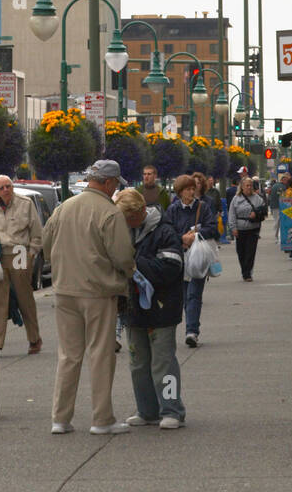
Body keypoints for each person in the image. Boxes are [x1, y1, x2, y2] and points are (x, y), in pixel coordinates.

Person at [42, 159, 135, 435]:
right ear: (107, 183)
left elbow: (46, 247)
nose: (116, 189)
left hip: (65, 289)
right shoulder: (109, 212)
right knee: (100, 354)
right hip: (98, 290)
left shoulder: (63, 208)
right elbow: (122, 255)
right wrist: (128, 273)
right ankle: (101, 418)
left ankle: (60, 418)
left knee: (68, 355)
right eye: (116, 184)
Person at [115, 187, 186, 429]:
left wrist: (134, 262)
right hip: (134, 308)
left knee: (163, 362)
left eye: (130, 218)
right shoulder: (123, 230)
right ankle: (147, 411)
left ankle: (172, 410)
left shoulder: (165, 231)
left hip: (163, 307)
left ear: (142, 211)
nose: (126, 223)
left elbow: (170, 267)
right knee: (138, 362)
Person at [0, 176, 44, 356]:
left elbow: (36, 231)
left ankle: (34, 339)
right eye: (1, 188)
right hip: (0, 255)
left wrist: (31, 254)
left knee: (25, 298)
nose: (6, 190)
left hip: (20, 252)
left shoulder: (25, 204)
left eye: (9, 186)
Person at [165, 174, 218, 348]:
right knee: (184, 296)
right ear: (179, 192)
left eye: (192, 188)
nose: (191, 192)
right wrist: (181, 238)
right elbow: (166, 231)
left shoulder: (202, 208)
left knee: (194, 294)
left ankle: (192, 331)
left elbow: (212, 228)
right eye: (187, 189)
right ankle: (191, 326)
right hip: (179, 257)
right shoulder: (173, 210)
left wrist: (195, 235)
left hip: (198, 257)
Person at [228, 175, 267, 280]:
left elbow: (264, 211)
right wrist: (233, 228)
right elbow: (231, 214)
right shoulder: (236, 199)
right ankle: (244, 270)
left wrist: (256, 213)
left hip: (253, 229)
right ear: (242, 187)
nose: (249, 187)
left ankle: (247, 273)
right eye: (247, 185)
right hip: (240, 229)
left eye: (250, 185)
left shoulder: (257, 198)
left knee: (250, 252)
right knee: (241, 252)